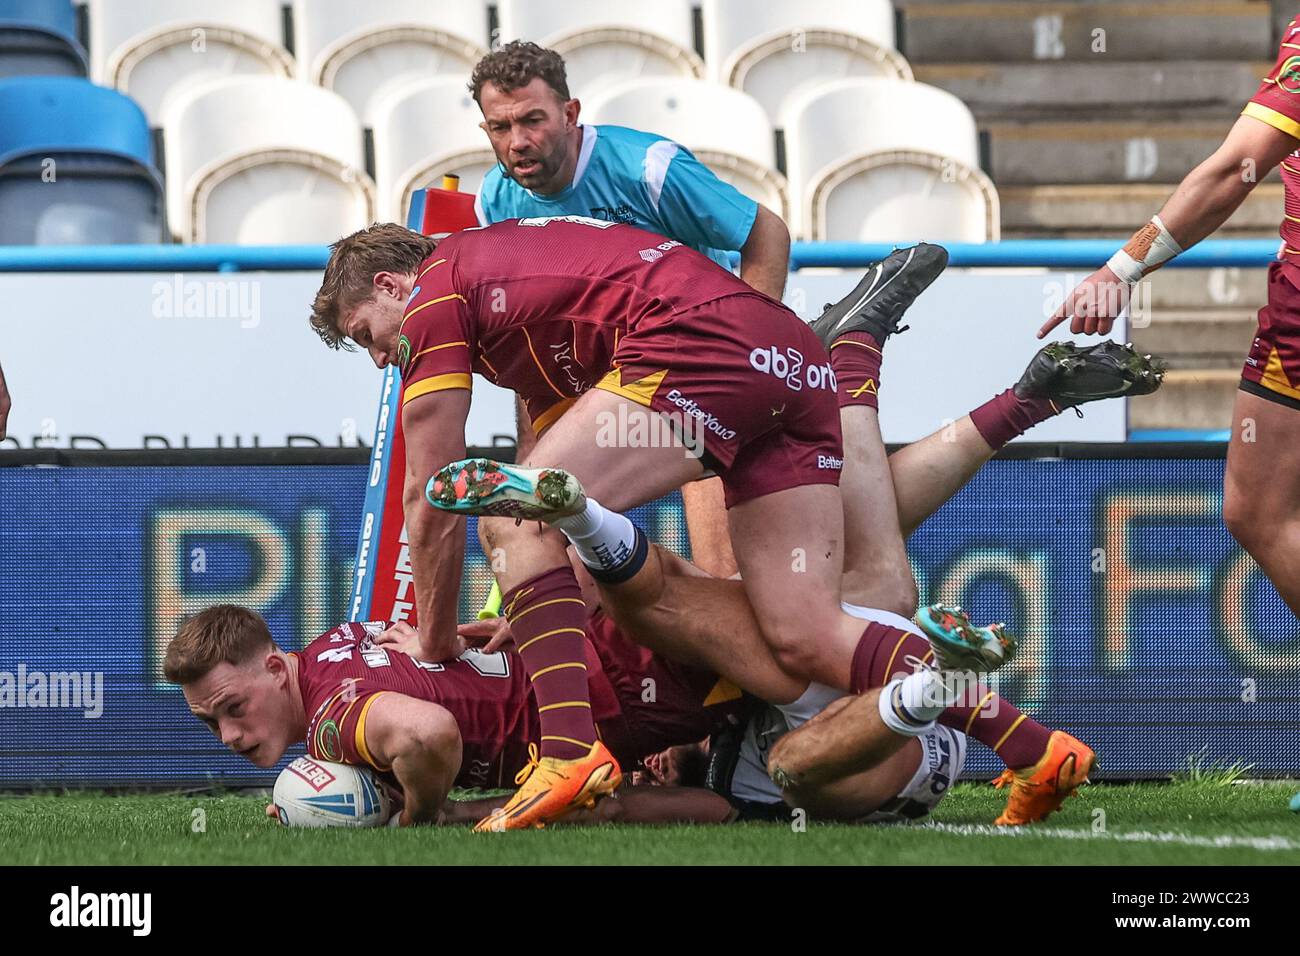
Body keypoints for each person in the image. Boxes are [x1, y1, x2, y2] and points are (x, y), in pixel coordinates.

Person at [311, 214, 949, 829]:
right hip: (789, 359)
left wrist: (435, 638)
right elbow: (566, 487)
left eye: (367, 334)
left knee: (511, 516)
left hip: (703, 340)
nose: (377, 359)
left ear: (393, 287)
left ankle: (567, 753)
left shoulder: (432, 295)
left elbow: (430, 491)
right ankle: (1029, 743)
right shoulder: (511, 304)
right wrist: (535, 611)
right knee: (811, 628)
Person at [469, 40, 791, 579]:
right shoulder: (494, 201)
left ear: (571, 114)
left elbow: (766, 234)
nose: (518, 142)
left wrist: (753, 356)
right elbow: (531, 341)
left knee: (724, 571)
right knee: (537, 521)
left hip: (698, 370)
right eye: (500, 128)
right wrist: (534, 449)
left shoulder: (647, 168)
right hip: (601, 379)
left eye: (532, 120)